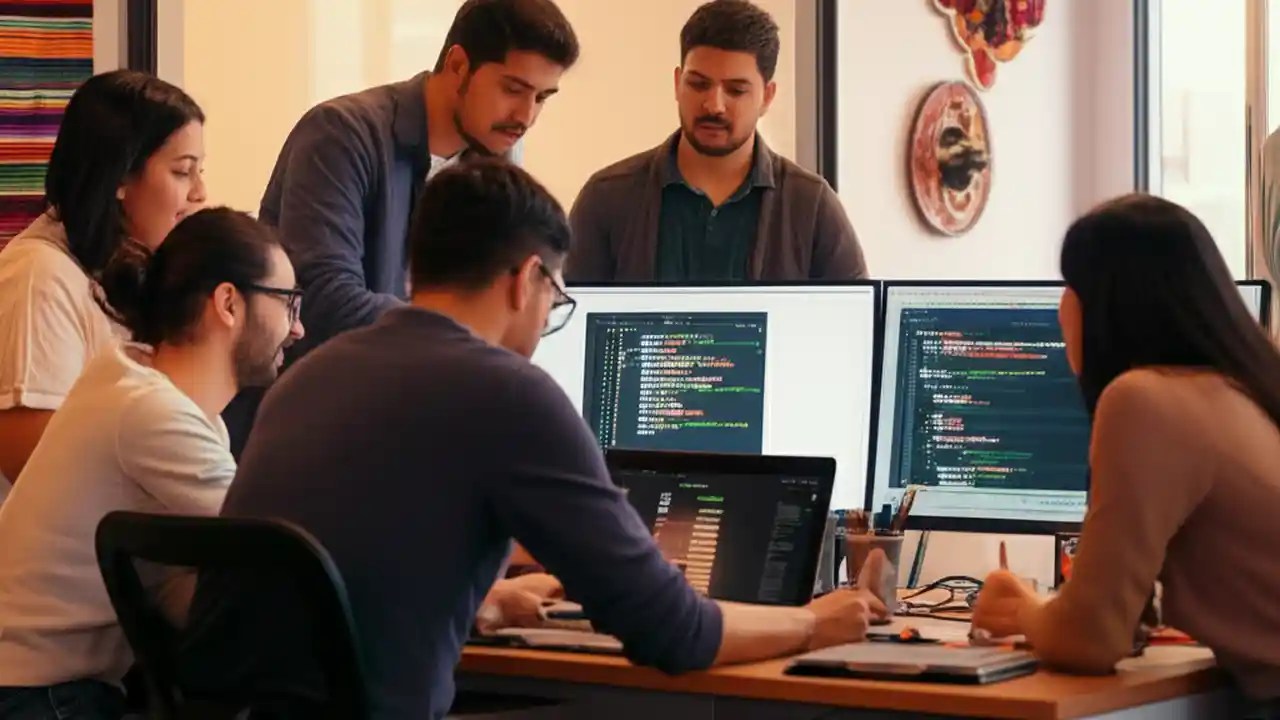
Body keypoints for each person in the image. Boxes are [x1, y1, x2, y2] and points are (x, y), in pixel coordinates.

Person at [182, 159, 882, 720]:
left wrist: (485, 602)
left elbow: (363, 572)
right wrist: (812, 624)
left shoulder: (308, 377)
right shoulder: (507, 393)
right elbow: (672, 632)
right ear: (527, 280)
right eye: (557, 297)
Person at [222, 0, 580, 456]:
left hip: (402, 429)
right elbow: (324, 302)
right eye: (514, 88)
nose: (526, 116)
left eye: (542, 98)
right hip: (302, 437)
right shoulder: (342, 134)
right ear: (457, 65)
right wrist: (470, 341)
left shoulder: (492, 168)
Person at [972, 194, 1280, 705]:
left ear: (1104, 303)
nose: (1060, 307)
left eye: (1070, 287)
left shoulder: (1145, 400)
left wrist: (1019, 606)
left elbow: (1089, 640)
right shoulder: (1247, 388)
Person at [0, 207, 304, 720]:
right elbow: (282, 549)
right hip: (39, 695)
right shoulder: (151, 414)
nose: (299, 330)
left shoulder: (136, 386)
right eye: (289, 304)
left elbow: (177, 591)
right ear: (228, 303)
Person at [0, 69, 206, 495]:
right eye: (183, 172)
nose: (200, 192)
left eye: (200, 171)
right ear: (120, 177)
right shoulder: (40, 274)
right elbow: (34, 468)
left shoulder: (127, 269)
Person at [566, 0, 866, 283]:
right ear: (677, 83)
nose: (714, 105)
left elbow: (857, 327)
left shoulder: (811, 206)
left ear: (768, 96)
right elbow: (565, 324)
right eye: (698, 84)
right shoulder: (607, 198)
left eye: (736, 90)